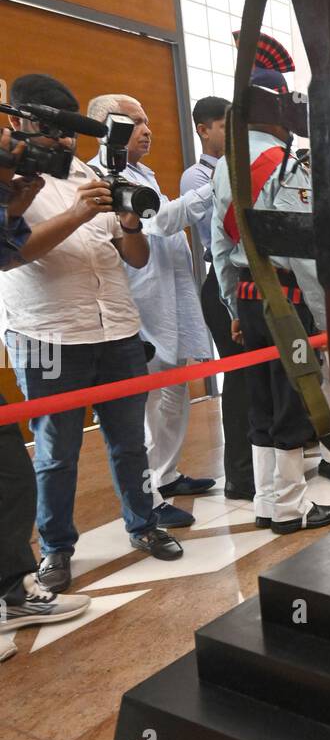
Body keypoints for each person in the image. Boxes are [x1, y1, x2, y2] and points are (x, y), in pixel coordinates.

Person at [0, 73, 182, 593]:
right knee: (57, 452)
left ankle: (144, 524)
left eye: (68, 131)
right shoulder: (11, 179)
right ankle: (56, 549)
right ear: (19, 122)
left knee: (129, 440)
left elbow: (138, 259)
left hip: (119, 329)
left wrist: (127, 225)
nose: (61, 141)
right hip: (47, 335)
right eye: (49, 129)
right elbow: (12, 256)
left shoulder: (93, 173)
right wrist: (81, 212)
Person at [210, 41, 330, 535]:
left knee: (261, 404)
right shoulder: (288, 167)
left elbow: (219, 249)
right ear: (279, 107)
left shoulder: (225, 164)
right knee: (293, 403)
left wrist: (232, 309)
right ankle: (289, 508)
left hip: (247, 299)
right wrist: (326, 327)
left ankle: (267, 502)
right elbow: (304, 258)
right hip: (285, 306)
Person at [86, 93, 217, 529]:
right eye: (135, 122)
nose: (147, 129)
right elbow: (159, 221)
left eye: (147, 120)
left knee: (173, 395)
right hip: (136, 306)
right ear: (107, 127)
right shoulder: (103, 177)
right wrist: (217, 186)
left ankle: (168, 474)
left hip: (169, 298)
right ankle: (150, 492)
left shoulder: (144, 172)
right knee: (145, 408)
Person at [0, 129, 90, 656]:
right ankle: (53, 552)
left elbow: (5, 246)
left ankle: (14, 587)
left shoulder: (83, 176)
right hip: (42, 331)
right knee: (54, 442)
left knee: (11, 475)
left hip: (101, 324)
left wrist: (13, 203)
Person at [180, 97, 255, 502]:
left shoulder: (239, 169)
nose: (232, 135)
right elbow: (220, 237)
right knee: (240, 379)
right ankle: (240, 476)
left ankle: (257, 466)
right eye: (224, 127)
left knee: (256, 377)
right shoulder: (198, 177)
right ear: (203, 130)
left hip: (246, 281)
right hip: (223, 281)